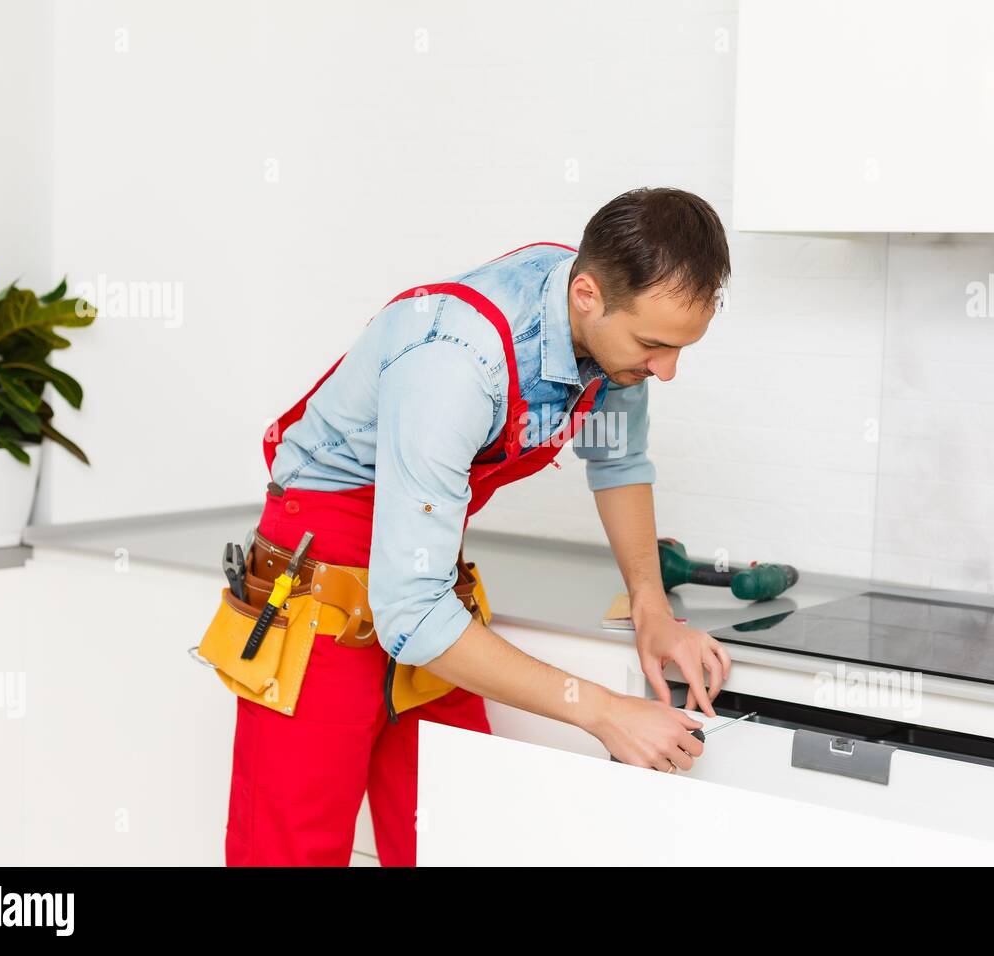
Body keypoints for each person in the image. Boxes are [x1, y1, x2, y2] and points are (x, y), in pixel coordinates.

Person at [226, 186, 733, 866]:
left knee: (449, 835)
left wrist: (652, 607)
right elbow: (409, 615)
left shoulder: (607, 327)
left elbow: (618, 458)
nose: (666, 370)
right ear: (588, 294)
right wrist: (606, 711)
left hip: (426, 576)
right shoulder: (456, 363)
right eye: (653, 345)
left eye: (681, 348)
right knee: (293, 852)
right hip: (323, 587)